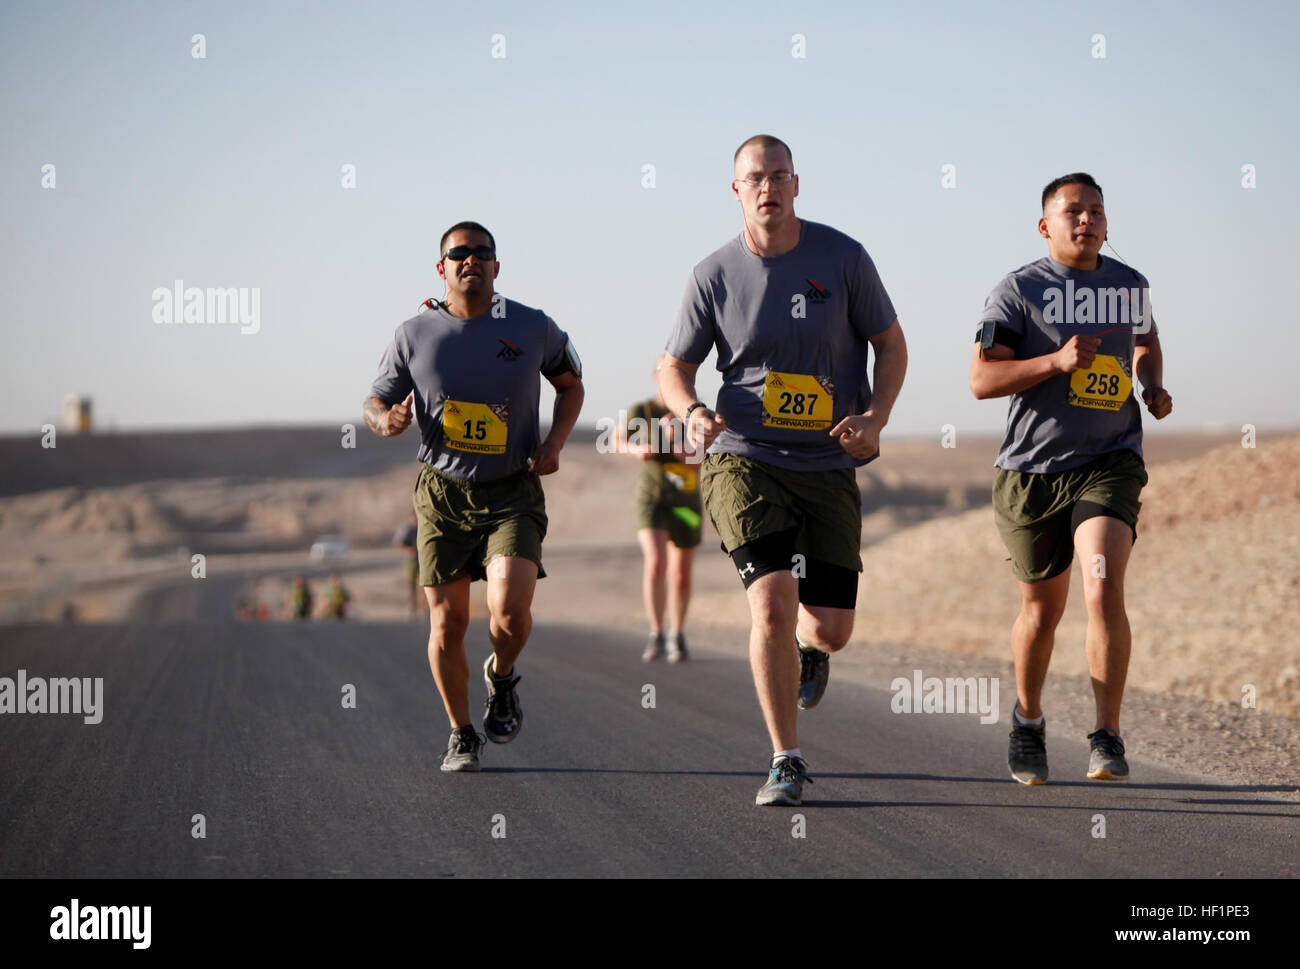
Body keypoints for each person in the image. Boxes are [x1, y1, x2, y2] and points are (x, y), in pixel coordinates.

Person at [658, 135, 907, 806]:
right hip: (746, 456)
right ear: (735, 191)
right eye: (753, 177)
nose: (767, 186)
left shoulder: (844, 258)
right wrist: (691, 409)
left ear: (796, 184)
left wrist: (876, 417)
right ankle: (785, 758)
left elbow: (890, 344)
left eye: (778, 175)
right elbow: (671, 365)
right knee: (770, 600)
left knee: (829, 627)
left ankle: (813, 648)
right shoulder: (713, 274)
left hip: (828, 460)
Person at [969, 172, 1173, 785]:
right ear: (1046, 225)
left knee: (1103, 585)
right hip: (1032, 469)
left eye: (1096, 212)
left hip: (1109, 458)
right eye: (1073, 211)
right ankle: (1028, 719)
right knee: (1041, 612)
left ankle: (1106, 734)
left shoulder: (1128, 284)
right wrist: (1055, 362)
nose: (1086, 221)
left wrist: (1152, 383)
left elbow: (1147, 341)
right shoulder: (1018, 290)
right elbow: (982, 380)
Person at [363, 221, 585, 773]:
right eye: (458, 254)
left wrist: (555, 442)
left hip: (512, 488)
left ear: (496, 266)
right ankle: (462, 733)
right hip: (442, 494)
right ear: (442, 269)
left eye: (482, 253)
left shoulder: (532, 326)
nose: (471, 261)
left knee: (509, 613)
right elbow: (374, 400)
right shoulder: (413, 334)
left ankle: (502, 675)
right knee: (448, 625)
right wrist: (384, 419)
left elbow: (571, 383)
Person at [615, 358, 703, 663]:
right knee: (656, 564)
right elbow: (618, 439)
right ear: (658, 377)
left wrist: (676, 442)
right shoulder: (643, 412)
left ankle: (677, 633)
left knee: (680, 574)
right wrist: (636, 449)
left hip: (686, 502)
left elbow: (700, 461)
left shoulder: (696, 412)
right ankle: (656, 632)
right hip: (652, 499)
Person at [393, 515, 423, 618]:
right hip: (411, 561)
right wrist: (409, 549)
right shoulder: (408, 530)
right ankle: (413, 609)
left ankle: (424, 609)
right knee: (412, 586)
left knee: (423, 586)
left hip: (422, 561)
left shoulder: (422, 528)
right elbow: (398, 542)